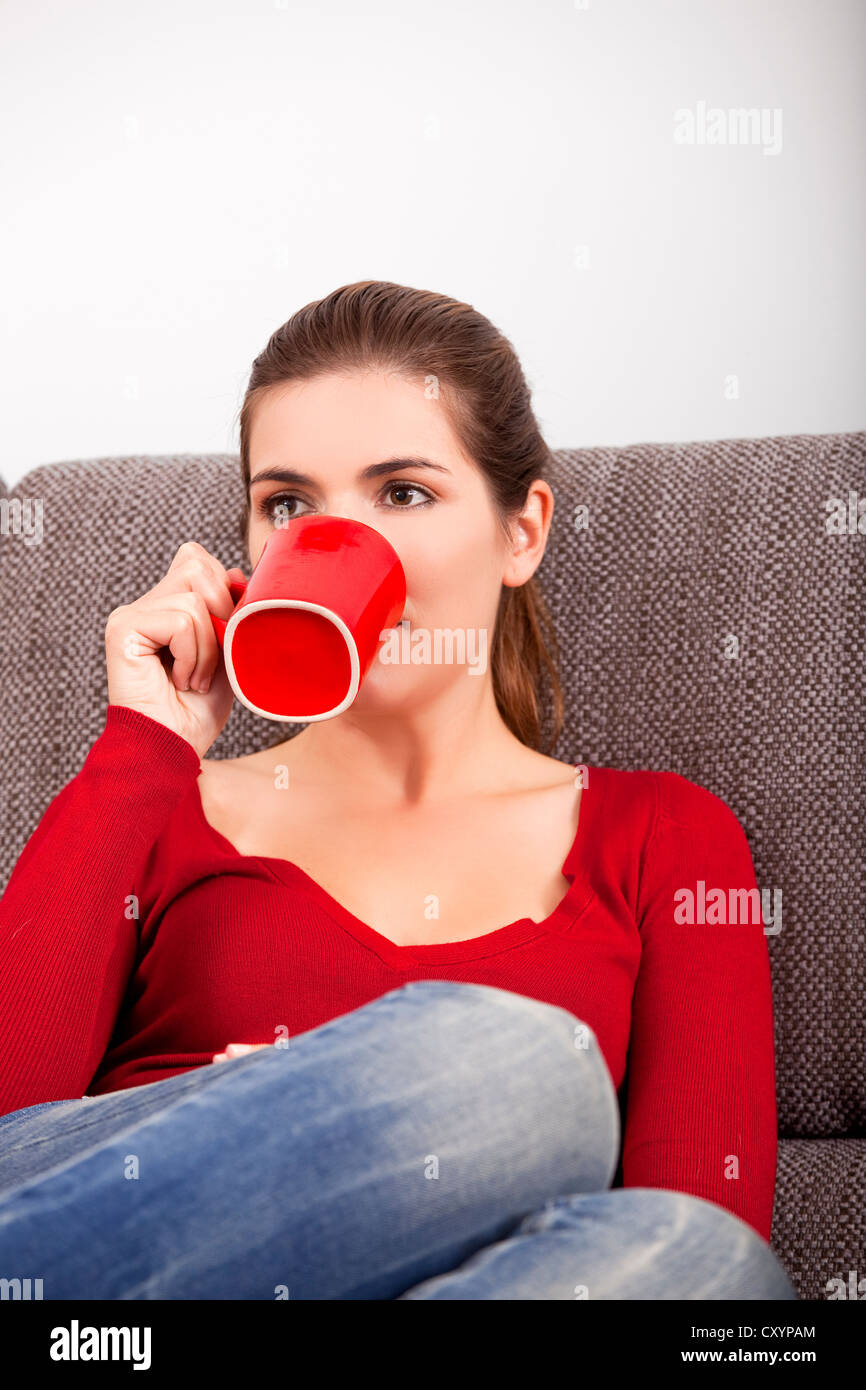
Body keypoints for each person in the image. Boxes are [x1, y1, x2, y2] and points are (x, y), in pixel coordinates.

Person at [0, 281, 796, 1300]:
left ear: (522, 532)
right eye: (287, 506)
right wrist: (144, 745)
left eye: (403, 492)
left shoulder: (661, 836)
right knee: (514, 1074)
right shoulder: (162, 803)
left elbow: (692, 1249)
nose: (340, 545)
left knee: (709, 1267)